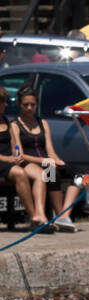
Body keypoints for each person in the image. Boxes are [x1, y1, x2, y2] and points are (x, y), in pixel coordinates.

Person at [11, 86, 80, 231]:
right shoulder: (15, 126)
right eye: (26, 105)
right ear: (19, 105)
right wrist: (45, 161)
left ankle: (64, 216)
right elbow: (20, 155)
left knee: (79, 175)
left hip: (47, 161)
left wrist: (56, 159)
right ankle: (58, 214)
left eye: (32, 105)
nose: (29, 108)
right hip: (30, 163)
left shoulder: (43, 123)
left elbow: (50, 150)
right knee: (51, 172)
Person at [0, 89, 34, 223]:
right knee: (19, 173)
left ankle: (52, 215)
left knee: (47, 174)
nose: (6, 104)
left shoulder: (5, 120)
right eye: (2, 101)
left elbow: (15, 144)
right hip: (3, 162)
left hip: (11, 162)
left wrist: (17, 154)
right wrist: (7, 159)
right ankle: (33, 216)